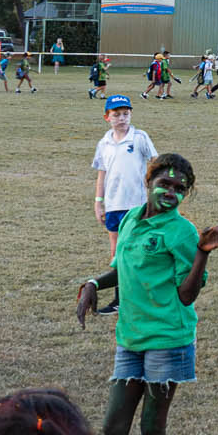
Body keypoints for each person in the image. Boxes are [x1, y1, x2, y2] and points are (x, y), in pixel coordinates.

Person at [75, 153, 218, 435]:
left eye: (180, 188)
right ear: (148, 181)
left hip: (168, 339)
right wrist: (94, 283)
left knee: (152, 426)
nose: (171, 192)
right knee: (115, 426)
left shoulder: (182, 232)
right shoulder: (132, 218)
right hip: (130, 337)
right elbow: (121, 267)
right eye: (165, 183)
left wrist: (203, 251)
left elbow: (187, 293)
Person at [90, 96, 158, 317]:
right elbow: (102, 173)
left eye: (125, 114)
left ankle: (143, 296)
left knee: (138, 252)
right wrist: (99, 202)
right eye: (116, 114)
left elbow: (155, 164)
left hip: (135, 206)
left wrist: (154, 195)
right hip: (113, 205)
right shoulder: (104, 142)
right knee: (117, 253)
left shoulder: (139, 138)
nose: (121, 118)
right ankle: (121, 300)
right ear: (106, 117)